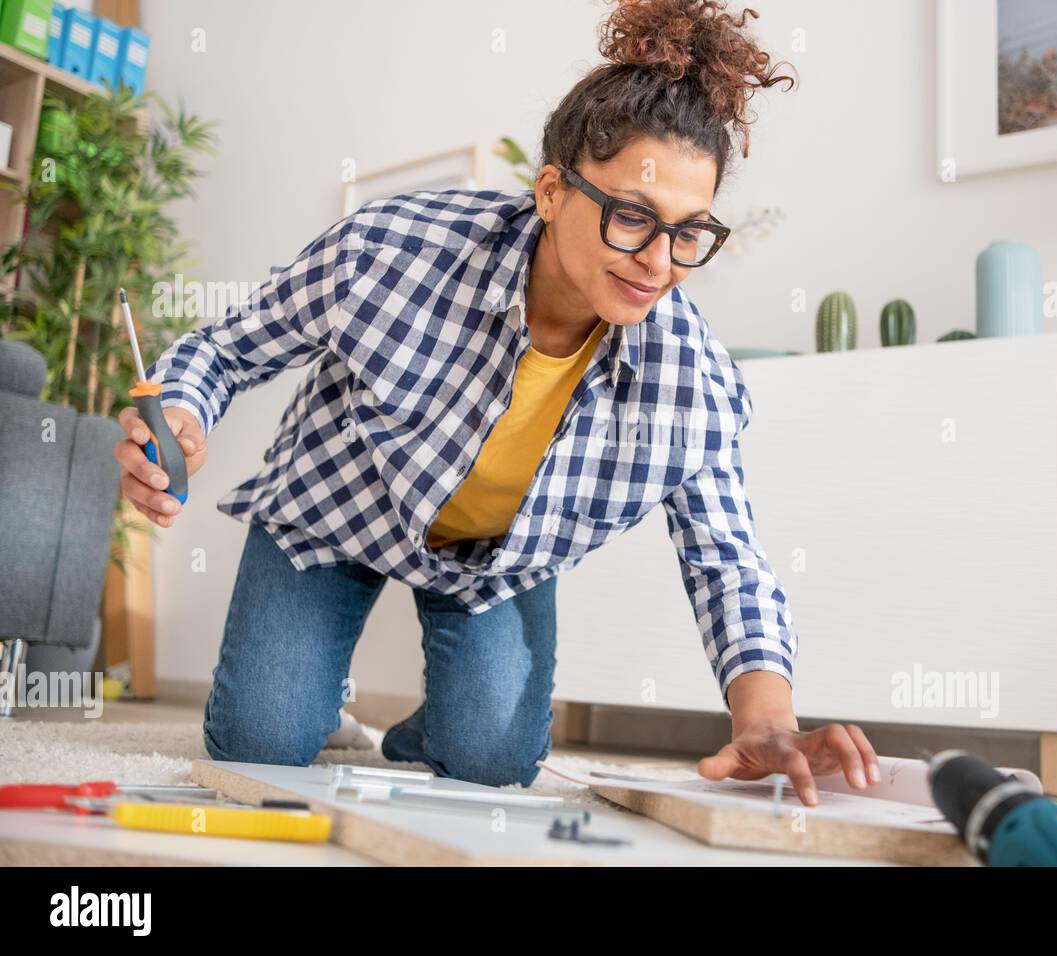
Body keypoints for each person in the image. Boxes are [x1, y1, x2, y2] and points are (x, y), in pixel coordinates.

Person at [113, 0, 881, 806]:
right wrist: (184, 411)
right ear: (552, 191)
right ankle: (323, 701)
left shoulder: (689, 377)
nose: (659, 261)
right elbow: (228, 346)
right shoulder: (385, 252)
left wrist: (766, 717)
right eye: (631, 217)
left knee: (492, 764)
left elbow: (725, 557)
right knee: (258, 751)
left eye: (689, 233)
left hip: (491, 563)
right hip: (331, 515)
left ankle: (432, 727)